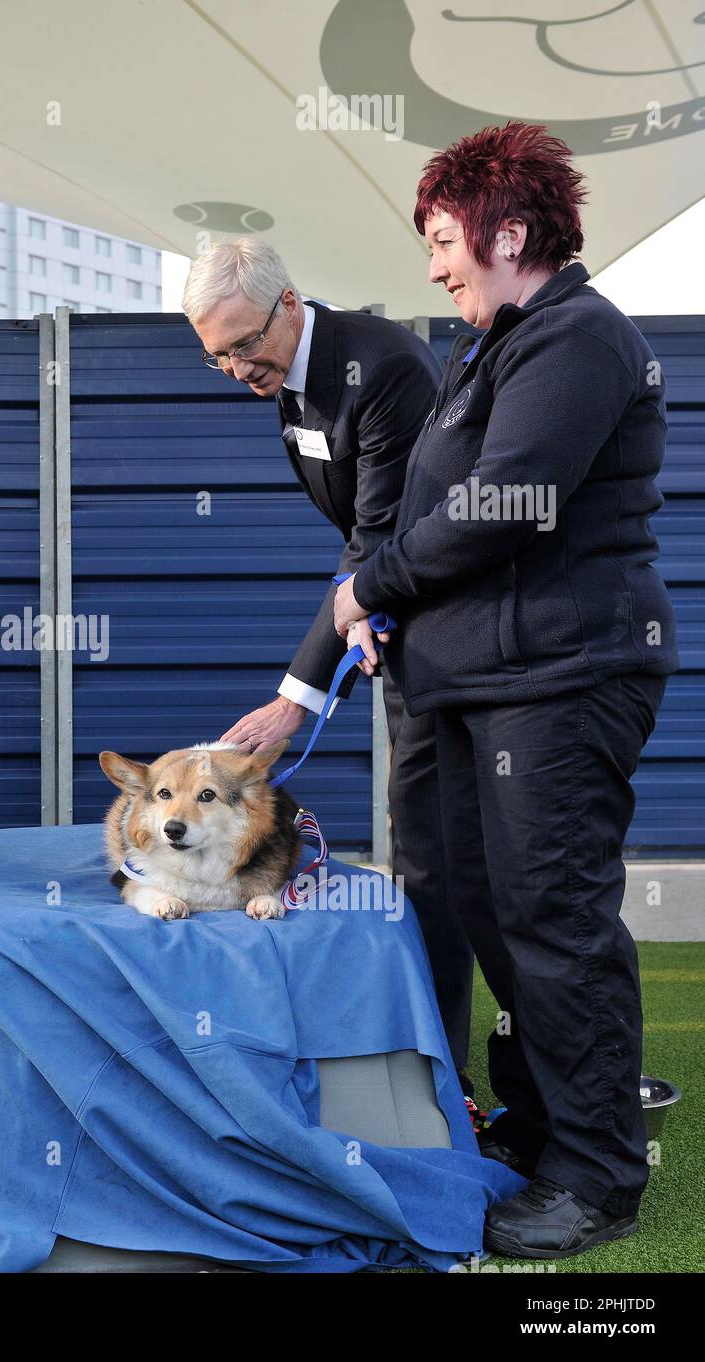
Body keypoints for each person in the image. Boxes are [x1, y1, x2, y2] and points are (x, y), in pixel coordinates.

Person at [335, 123, 678, 1258]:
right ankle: (539, 1128)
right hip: (483, 678)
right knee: (491, 912)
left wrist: (372, 583)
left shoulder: (577, 338)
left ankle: (597, 1174)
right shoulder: (492, 347)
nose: (434, 265)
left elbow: (503, 503)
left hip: (564, 678)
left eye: (444, 241)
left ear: (509, 234)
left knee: (551, 918)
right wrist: (389, 605)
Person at [182, 240, 476, 1097]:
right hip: (400, 632)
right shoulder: (291, 383)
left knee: (461, 867)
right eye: (217, 356)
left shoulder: (383, 367)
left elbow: (377, 536)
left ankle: (457, 1082)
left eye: (244, 345)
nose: (236, 368)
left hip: (462, 648)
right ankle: (435, 1068)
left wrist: (293, 702)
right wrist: (364, 617)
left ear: (289, 303)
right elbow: (361, 547)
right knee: (426, 854)